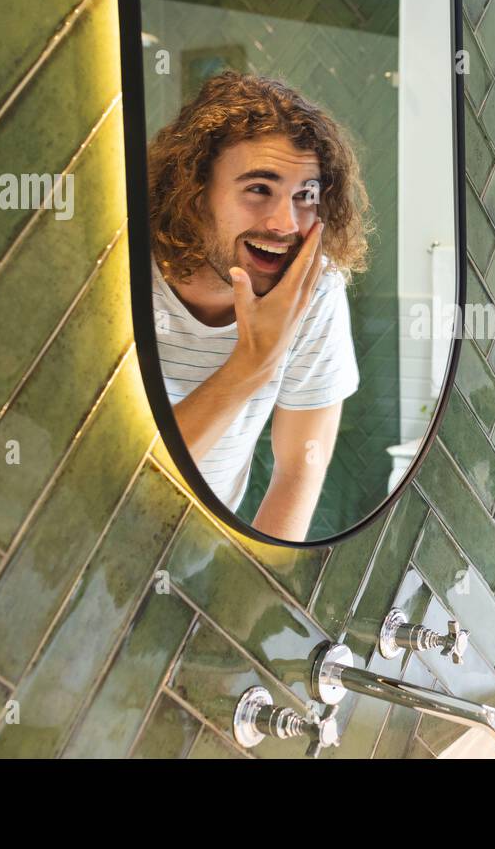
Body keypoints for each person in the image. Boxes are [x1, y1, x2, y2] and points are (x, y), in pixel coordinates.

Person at [147, 73, 368, 541]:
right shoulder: (123, 273)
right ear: (194, 192)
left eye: (305, 195)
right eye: (259, 189)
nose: (285, 223)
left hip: (197, 555)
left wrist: (257, 593)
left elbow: (298, 471)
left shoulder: (313, 286)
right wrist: (252, 363)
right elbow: (122, 481)